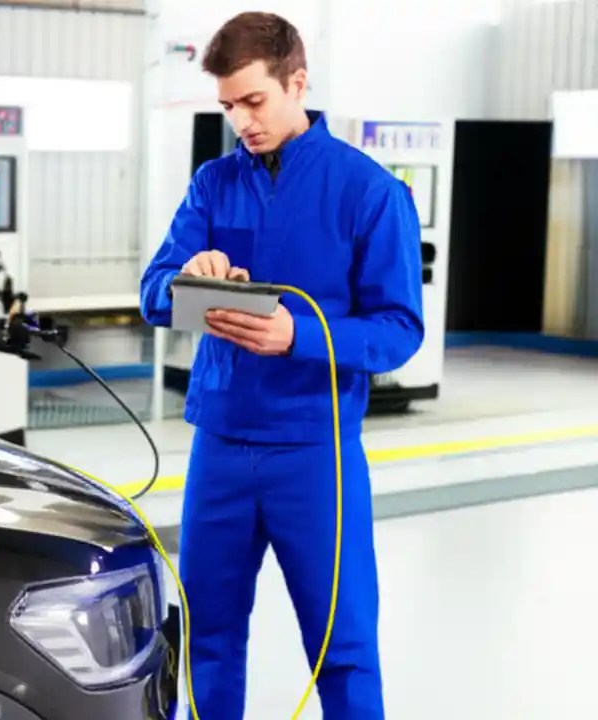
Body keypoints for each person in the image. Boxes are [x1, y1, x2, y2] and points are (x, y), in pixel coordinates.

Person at [139, 11, 424, 720]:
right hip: (221, 446)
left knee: (344, 646)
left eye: (254, 101)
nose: (242, 121)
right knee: (206, 634)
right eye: (229, 105)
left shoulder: (370, 193)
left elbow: (398, 329)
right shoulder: (214, 184)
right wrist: (188, 276)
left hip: (314, 452)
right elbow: (153, 292)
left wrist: (300, 335)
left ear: (298, 81)